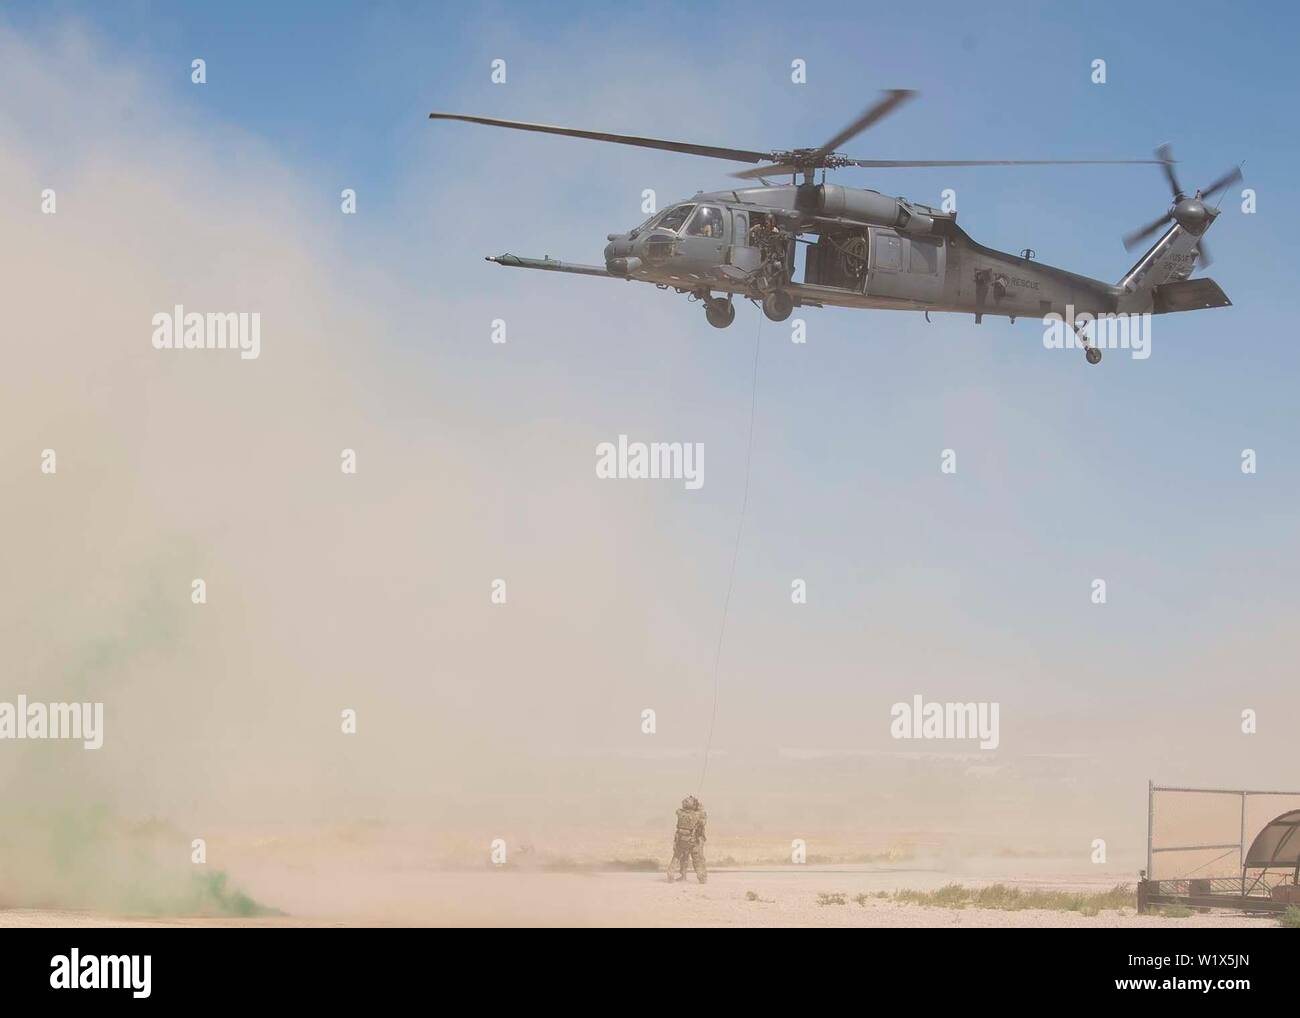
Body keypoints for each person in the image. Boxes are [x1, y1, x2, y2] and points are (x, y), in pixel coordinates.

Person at [667, 795, 707, 883]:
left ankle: (671, 873)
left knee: (677, 857)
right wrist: (699, 808)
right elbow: (703, 821)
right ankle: (701, 877)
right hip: (693, 841)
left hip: (681, 840)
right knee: (697, 860)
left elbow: (680, 811)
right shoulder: (697, 815)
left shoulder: (680, 813)